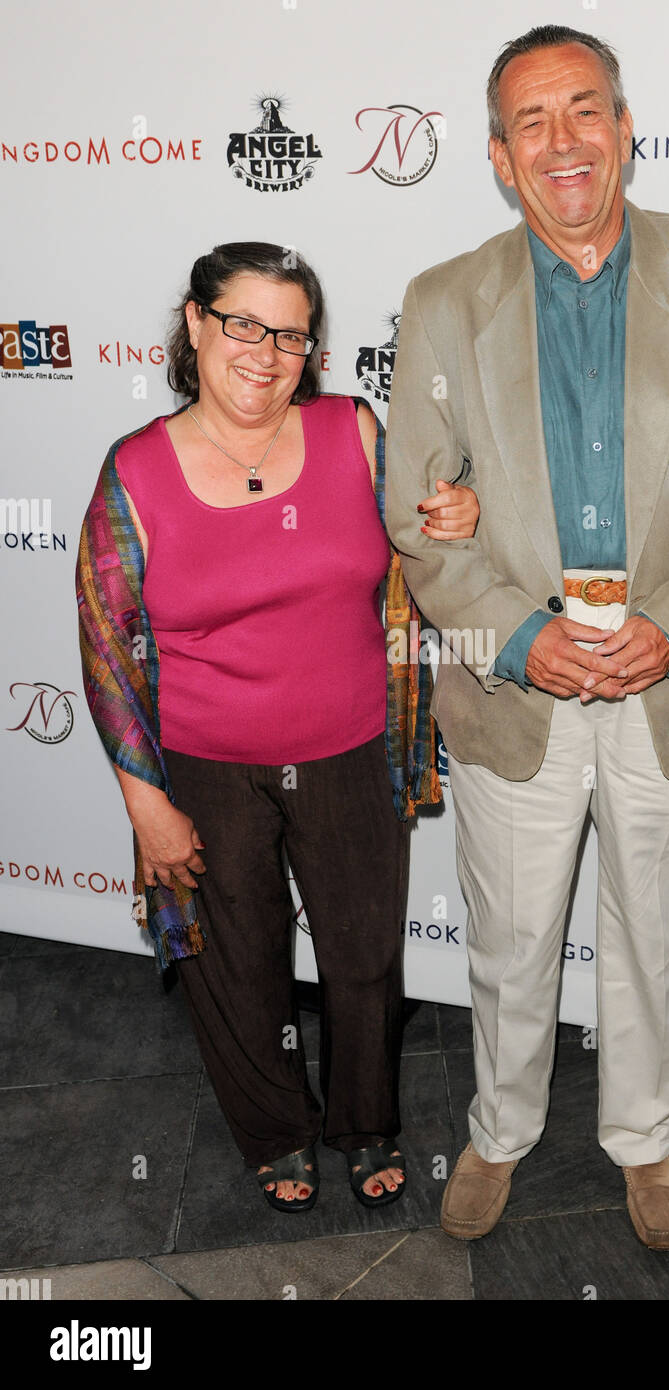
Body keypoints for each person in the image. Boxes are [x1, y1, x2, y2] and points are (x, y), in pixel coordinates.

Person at [386, 26, 669, 1246]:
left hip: (661, 682)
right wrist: (516, 635)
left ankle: (645, 1141)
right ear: (497, 157)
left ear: (625, 128)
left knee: (648, 927)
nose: (561, 141)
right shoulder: (442, 302)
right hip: (514, 691)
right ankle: (498, 1129)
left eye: (584, 111)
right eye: (532, 121)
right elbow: (416, 510)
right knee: (509, 938)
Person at [76, 241, 479, 1212]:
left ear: (312, 349)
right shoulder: (136, 470)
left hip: (349, 750)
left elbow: (421, 539)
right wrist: (146, 805)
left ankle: (363, 1124)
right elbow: (104, 640)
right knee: (235, 966)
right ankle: (273, 1132)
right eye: (242, 323)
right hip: (206, 766)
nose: (264, 350)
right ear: (195, 323)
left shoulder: (355, 432)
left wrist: (457, 514)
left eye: (289, 332)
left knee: (362, 956)